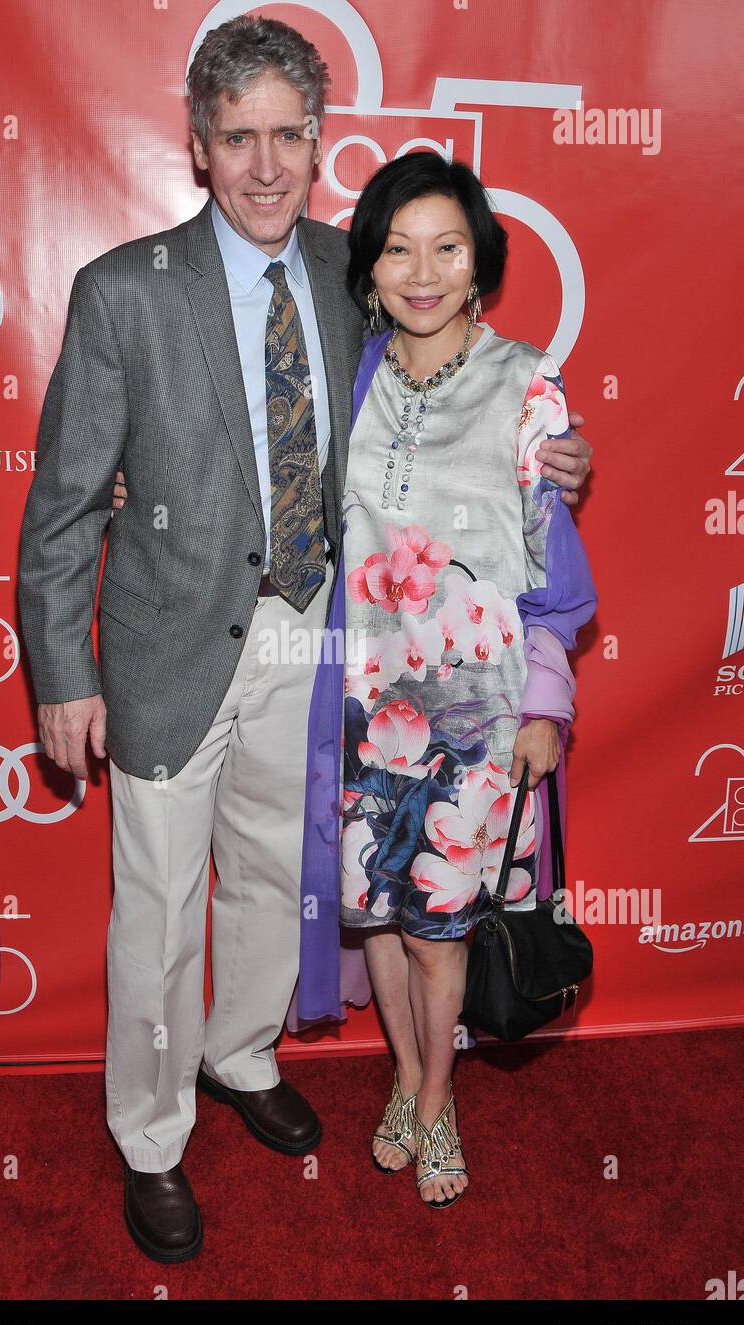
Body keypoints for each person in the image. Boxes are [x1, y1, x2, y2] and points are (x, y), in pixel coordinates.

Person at [23, 16, 592, 1264]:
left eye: (290, 135)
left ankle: (237, 1052)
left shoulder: (356, 275)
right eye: (239, 139)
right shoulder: (121, 289)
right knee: (160, 907)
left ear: (320, 142)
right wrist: (61, 673)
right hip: (168, 650)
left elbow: (459, 415)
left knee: (277, 882)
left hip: (314, 647)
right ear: (197, 145)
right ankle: (153, 1134)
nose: (266, 166)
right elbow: (64, 501)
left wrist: (552, 458)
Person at [295, 151, 597, 1209]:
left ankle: (432, 1105)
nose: (420, 271)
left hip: (476, 711)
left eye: (447, 247)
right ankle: (412, 1076)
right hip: (362, 702)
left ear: (478, 266)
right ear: (369, 268)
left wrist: (543, 704)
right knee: (377, 912)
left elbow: (552, 568)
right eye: (396, 249)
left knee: (439, 932)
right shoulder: (358, 369)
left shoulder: (526, 388)